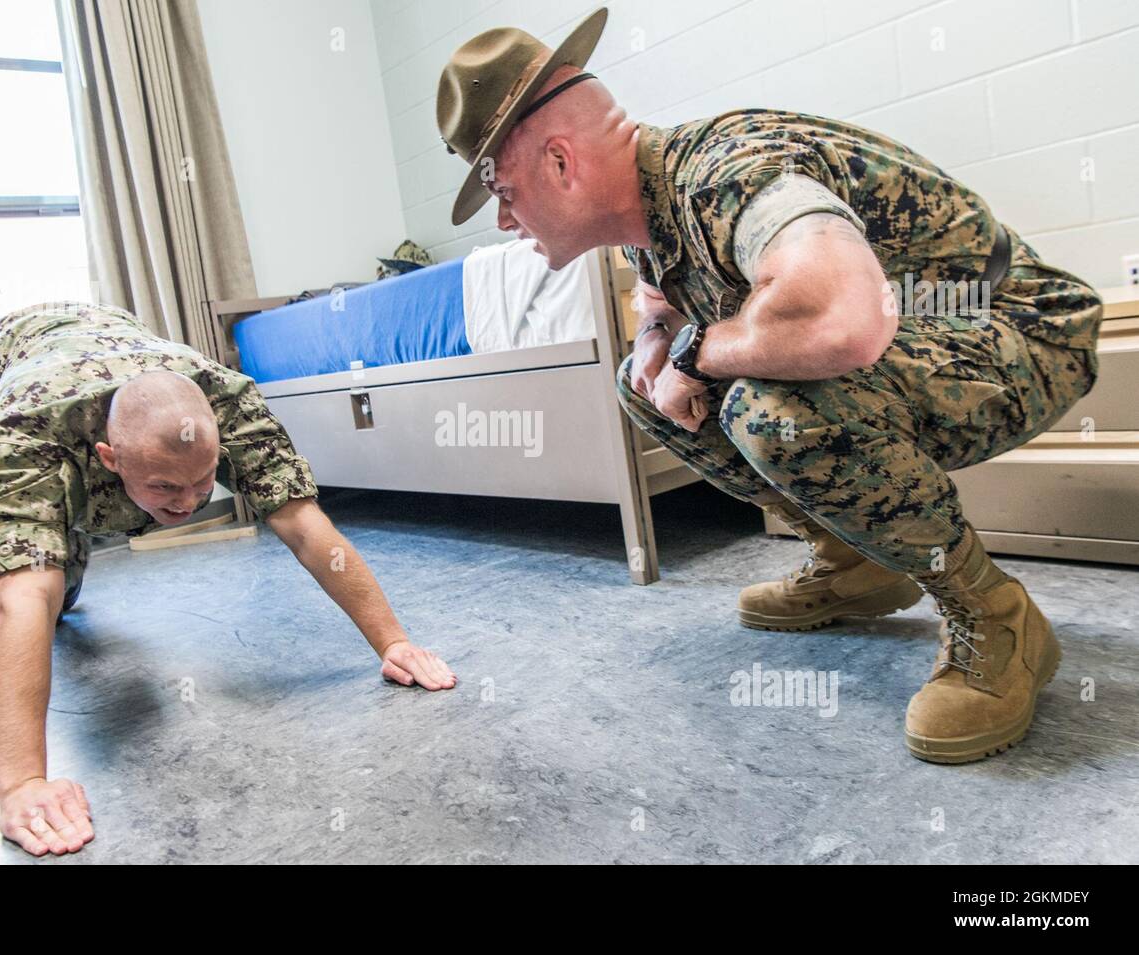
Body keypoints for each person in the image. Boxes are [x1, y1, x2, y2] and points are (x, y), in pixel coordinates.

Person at [435, 8, 1101, 763]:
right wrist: (661, 343)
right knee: (640, 381)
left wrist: (697, 357)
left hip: (1023, 330)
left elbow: (843, 319)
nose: (501, 219)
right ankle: (858, 560)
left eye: (502, 187)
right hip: (937, 344)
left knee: (769, 408)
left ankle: (996, 615)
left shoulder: (730, 172)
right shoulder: (649, 199)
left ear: (560, 163)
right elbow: (658, 299)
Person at [0, 302, 457, 856]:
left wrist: (394, 641)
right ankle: (70, 547)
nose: (190, 504)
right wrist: (22, 784)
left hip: (114, 338)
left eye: (204, 481)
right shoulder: (23, 435)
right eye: (165, 487)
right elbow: (19, 597)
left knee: (71, 563)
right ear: (109, 458)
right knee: (44, 579)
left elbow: (306, 528)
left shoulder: (231, 404)